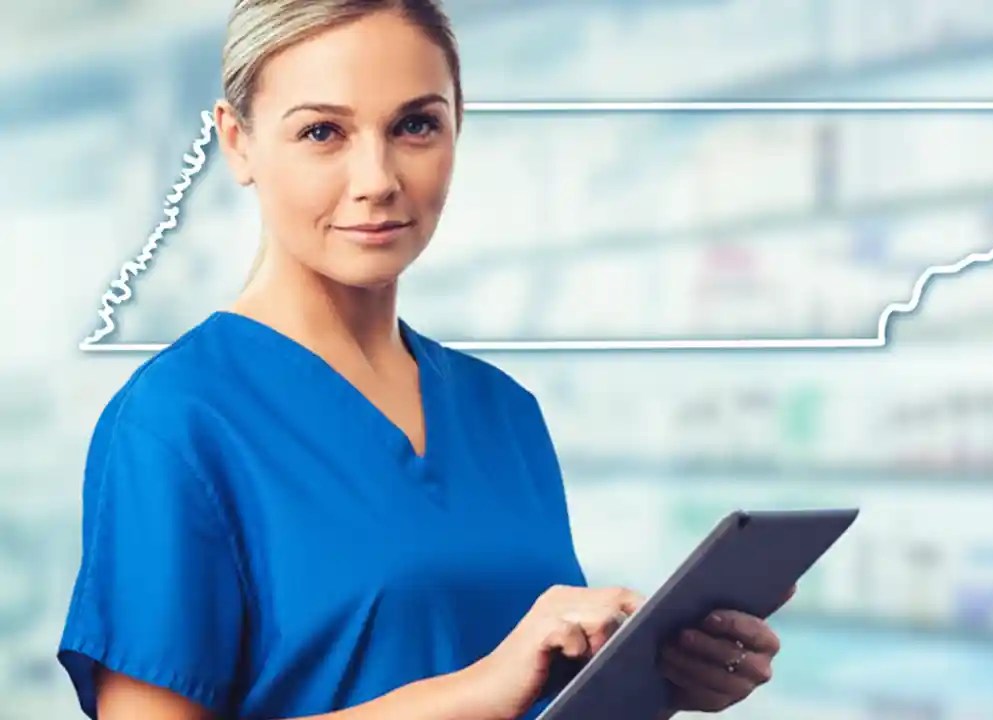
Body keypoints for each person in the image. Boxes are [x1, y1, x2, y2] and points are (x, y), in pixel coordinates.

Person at [56, 2, 791, 719]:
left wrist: (659, 680)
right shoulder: (174, 423)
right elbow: (493, 687)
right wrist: (476, 694)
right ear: (237, 142)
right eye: (322, 132)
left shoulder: (502, 411)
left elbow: (539, 691)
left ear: (456, 126)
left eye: (414, 125)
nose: (377, 179)